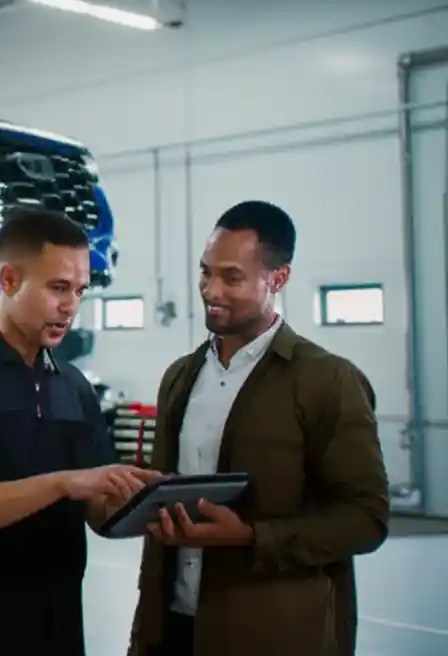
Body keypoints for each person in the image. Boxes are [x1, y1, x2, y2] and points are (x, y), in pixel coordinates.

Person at [126, 200, 389, 656]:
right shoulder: (180, 377)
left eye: (232, 277)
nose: (211, 289)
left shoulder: (327, 381)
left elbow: (366, 519)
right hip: (173, 627)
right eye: (205, 272)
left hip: (272, 635)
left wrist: (250, 537)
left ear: (278, 279)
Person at [0, 207, 161, 656]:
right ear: (8, 280)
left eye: (79, 290)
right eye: (58, 288)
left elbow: (99, 512)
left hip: (58, 628)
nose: (71, 306)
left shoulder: (73, 387)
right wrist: (62, 484)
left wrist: (153, 503)